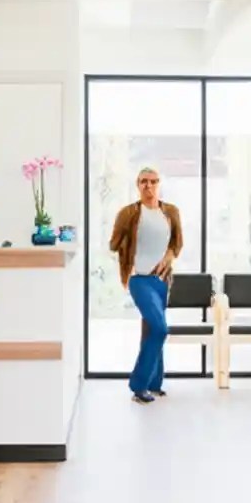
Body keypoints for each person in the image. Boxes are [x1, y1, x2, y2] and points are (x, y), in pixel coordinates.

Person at [108, 167, 183, 404]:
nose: (148, 186)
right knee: (160, 328)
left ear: (159, 184)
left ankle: (154, 384)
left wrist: (169, 256)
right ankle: (138, 385)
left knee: (152, 330)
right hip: (139, 279)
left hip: (162, 280)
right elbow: (114, 243)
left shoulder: (170, 212)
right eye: (143, 182)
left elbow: (177, 243)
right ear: (137, 185)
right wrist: (128, 252)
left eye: (152, 181)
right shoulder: (128, 213)